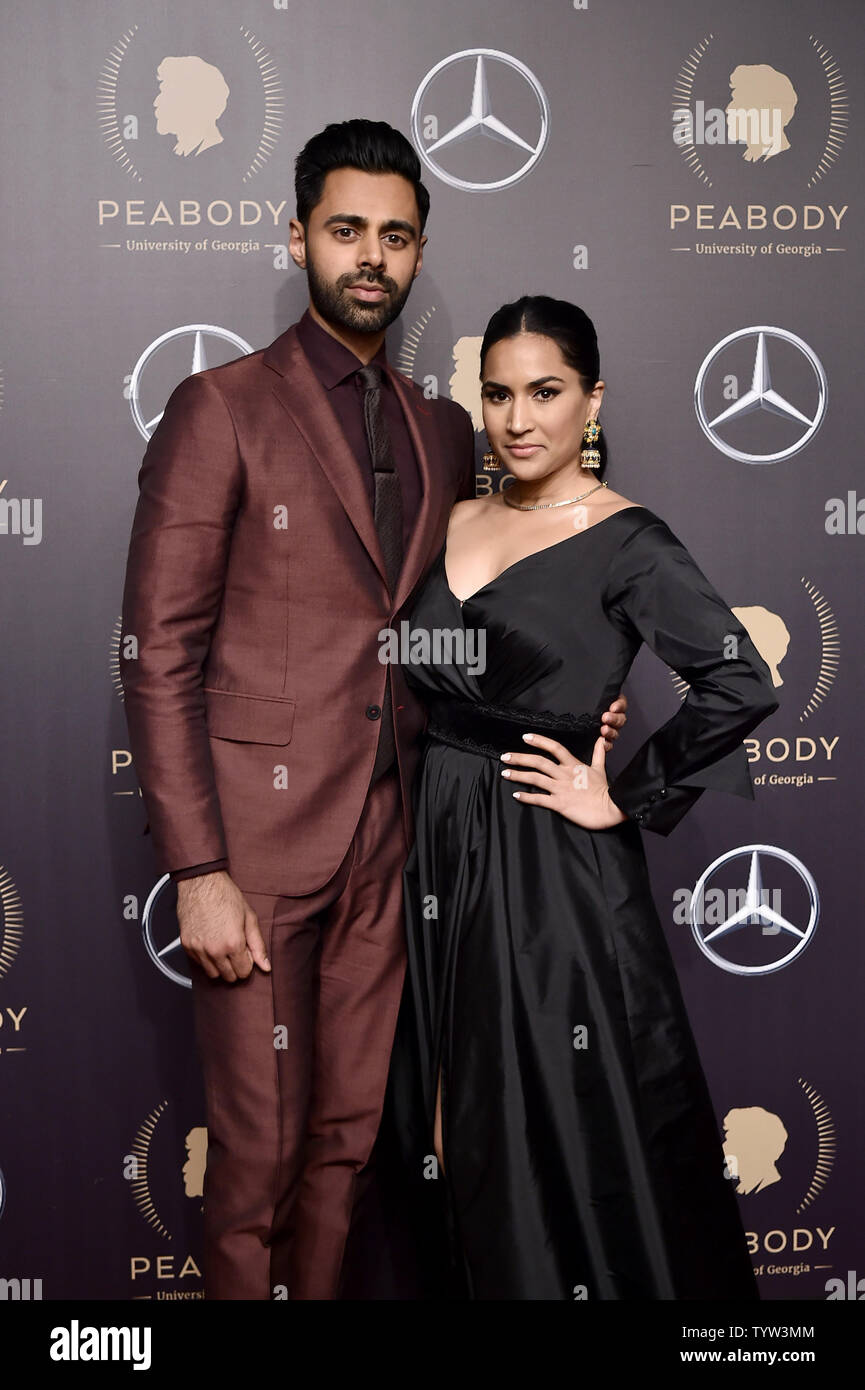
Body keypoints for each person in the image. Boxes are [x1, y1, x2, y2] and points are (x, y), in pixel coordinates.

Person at [119, 122, 630, 1300]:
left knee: (347, 1149)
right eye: (347, 229)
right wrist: (198, 865)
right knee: (255, 1162)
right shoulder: (221, 408)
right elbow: (158, 655)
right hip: (255, 856)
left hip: (396, 856)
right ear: (297, 235)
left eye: (396, 236)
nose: (372, 256)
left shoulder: (442, 428)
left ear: (416, 253)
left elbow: (443, 632)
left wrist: (566, 713)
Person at [388, 294, 780, 1300]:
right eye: (499, 393)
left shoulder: (625, 537)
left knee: (555, 1120)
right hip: (438, 844)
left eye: (546, 392)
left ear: (592, 400)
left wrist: (625, 791)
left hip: (549, 869)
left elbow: (739, 678)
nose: (518, 418)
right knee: (443, 1125)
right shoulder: (454, 517)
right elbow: (414, 669)